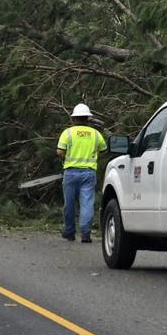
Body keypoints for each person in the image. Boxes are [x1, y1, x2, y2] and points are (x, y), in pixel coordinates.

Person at [56, 103, 106, 242]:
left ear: (74, 119)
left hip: (71, 173)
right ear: (88, 118)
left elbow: (60, 151)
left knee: (69, 204)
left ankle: (69, 232)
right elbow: (103, 151)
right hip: (88, 173)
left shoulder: (68, 133)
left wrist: (63, 156)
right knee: (87, 204)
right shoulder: (96, 134)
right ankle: (85, 234)